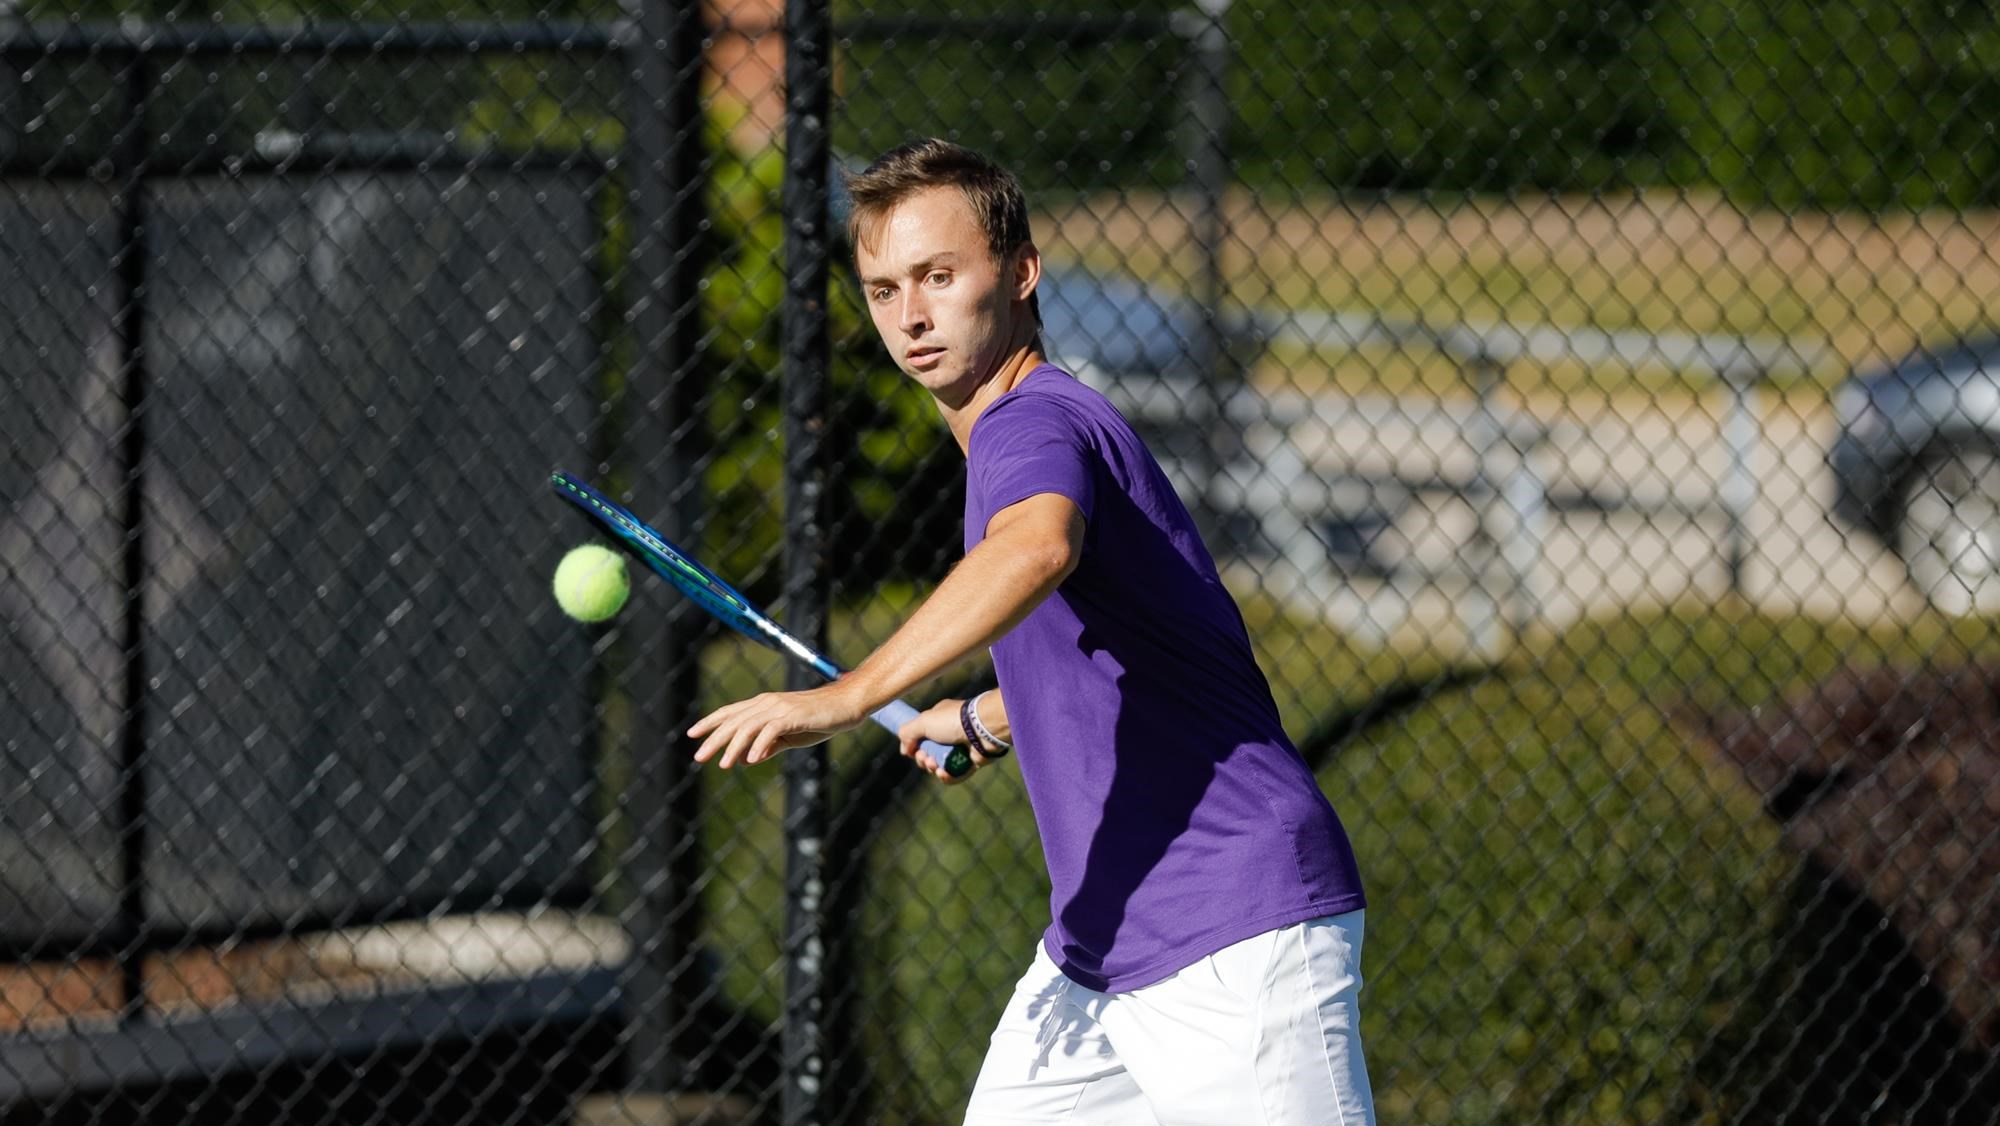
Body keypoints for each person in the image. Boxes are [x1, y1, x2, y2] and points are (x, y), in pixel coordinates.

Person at [688, 137, 1375, 1126]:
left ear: (1019, 272)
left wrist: (847, 698)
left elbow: (1034, 551)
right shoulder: (1027, 434)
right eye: (882, 289)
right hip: (1096, 954)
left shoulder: (1029, 426)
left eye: (937, 275)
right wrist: (987, 713)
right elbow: (1134, 660)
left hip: (1232, 934)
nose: (910, 314)